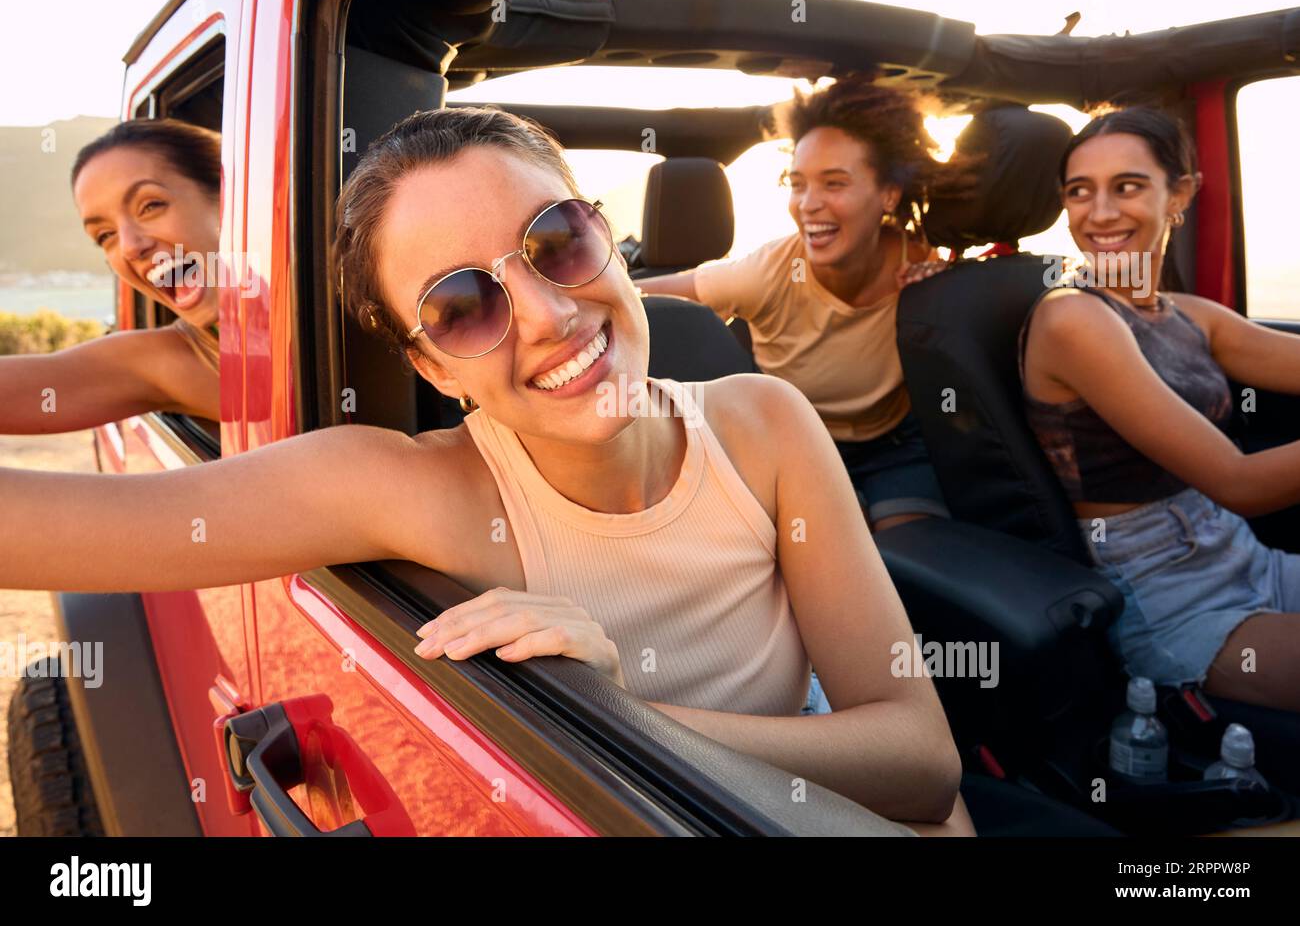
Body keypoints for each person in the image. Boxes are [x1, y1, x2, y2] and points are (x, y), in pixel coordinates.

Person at [0, 106, 971, 834]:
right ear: (427, 366)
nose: (548, 314)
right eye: (462, 306)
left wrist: (629, 717)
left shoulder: (762, 421)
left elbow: (922, 760)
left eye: (557, 243)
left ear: (609, 236)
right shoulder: (427, 489)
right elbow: (56, 524)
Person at [1020, 106, 1300, 712]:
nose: (1099, 213)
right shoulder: (1071, 318)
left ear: (1181, 194)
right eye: (1079, 192)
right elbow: (1239, 483)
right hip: (1168, 596)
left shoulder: (1186, 314)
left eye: (1127, 186)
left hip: (1243, 555)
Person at [638, 77, 972, 531]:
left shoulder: (924, 267)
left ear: (888, 195)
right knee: (833, 545)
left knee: (915, 559)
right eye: (797, 185)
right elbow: (646, 298)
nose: (808, 205)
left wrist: (939, 296)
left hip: (895, 447)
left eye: (834, 183)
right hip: (795, 446)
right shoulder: (769, 271)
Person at [0, 119, 223, 436]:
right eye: (105, 235)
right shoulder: (180, 361)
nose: (131, 247)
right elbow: (40, 384)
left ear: (230, 197)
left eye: (150, 206)